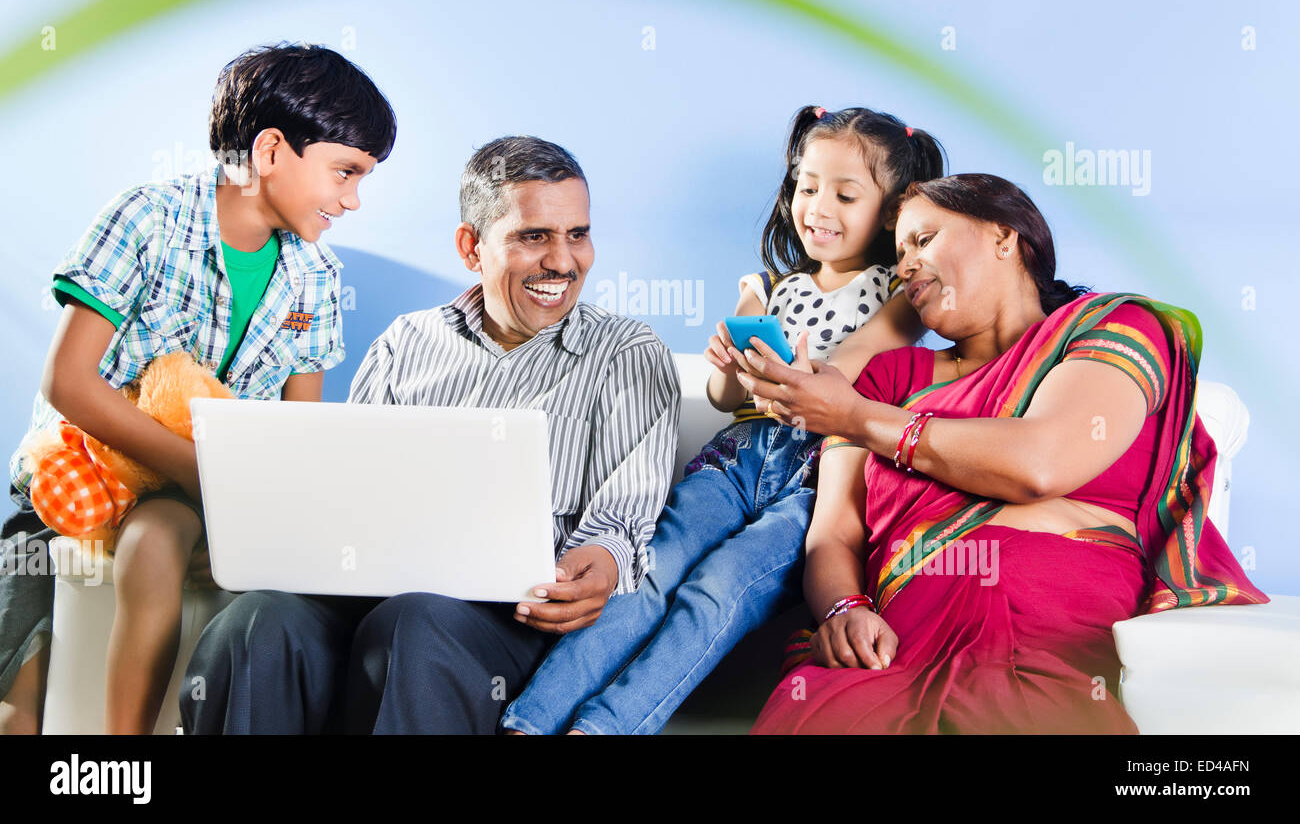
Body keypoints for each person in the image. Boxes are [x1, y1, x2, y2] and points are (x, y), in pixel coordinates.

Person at [179, 135, 682, 734]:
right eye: (534, 236)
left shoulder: (626, 354)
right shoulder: (405, 344)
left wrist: (598, 563)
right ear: (472, 247)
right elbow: (343, 495)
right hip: (371, 600)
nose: (563, 261)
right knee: (258, 622)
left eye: (577, 234)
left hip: (514, 623)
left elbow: (622, 525)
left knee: (413, 626)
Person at [739, 173, 1267, 734]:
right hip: (890, 643)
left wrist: (854, 417)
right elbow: (834, 533)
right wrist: (845, 608)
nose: (906, 266)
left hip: (1051, 637)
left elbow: (1040, 464)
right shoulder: (889, 377)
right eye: (898, 255)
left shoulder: (1108, 326)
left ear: (1004, 236)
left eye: (924, 240)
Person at [499, 106, 944, 735]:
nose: (819, 206)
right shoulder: (766, 286)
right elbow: (720, 395)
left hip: (820, 483)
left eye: (846, 195)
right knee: (650, 573)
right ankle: (530, 720)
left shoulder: (901, 297)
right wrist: (731, 366)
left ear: (892, 209)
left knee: (718, 592)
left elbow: (844, 371)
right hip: (739, 457)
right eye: (807, 187)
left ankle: (602, 727)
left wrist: (781, 368)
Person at [0, 43, 396, 734]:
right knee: (17, 710)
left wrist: (249, 509)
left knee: (166, 541)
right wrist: (206, 472)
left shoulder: (317, 276)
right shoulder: (148, 219)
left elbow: (296, 434)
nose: (352, 199)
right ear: (271, 150)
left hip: (197, 498)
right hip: (83, 476)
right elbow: (68, 381)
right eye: (345, 172)